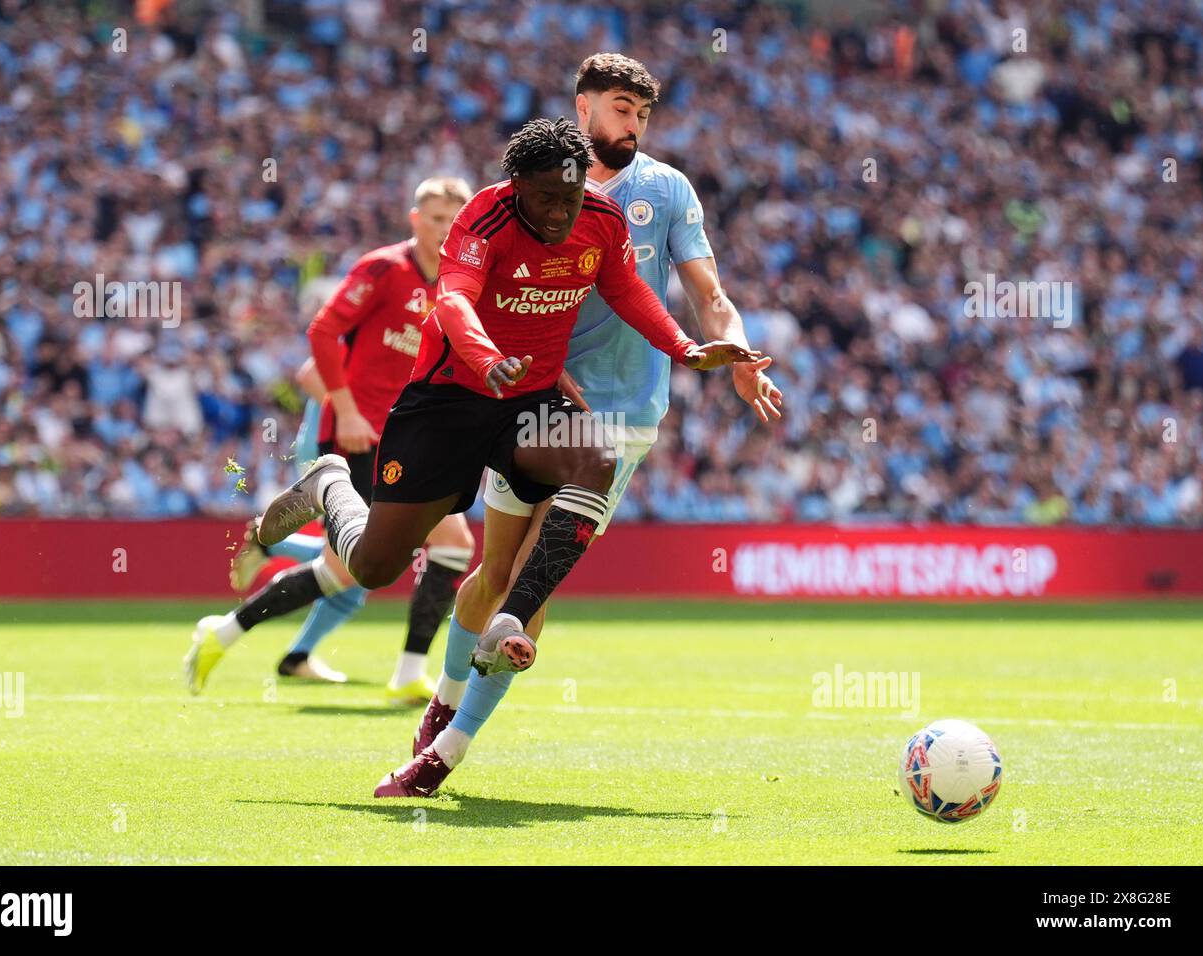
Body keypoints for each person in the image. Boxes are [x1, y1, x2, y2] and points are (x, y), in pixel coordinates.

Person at [247, 116, 763, 796]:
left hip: (529, 397)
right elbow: (454, 299)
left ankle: (513, 619)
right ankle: (328, 485)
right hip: (450, 399)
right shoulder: (483, 219)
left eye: (571, 198)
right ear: (515, 184)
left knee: (592, 457)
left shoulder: (602, 221)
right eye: (546, 197)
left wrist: (686, 348)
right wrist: (487, 359)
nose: (559, 212)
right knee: (372, 567)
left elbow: (627, 289)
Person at [389, 53, 784, 796]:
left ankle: (447, 753)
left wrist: (732, 352)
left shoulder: (666, 191)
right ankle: (440, 703)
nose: (632, 124)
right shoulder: (531, 188)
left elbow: (708, 291)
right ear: (583, 108)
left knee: (530, 587)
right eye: (621, 109)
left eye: (642, 114)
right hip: (532, 404)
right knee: (492, 574)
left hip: (623, 416)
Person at [184, 177, 477, 703]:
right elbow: (321, 334)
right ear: (415, 220)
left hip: (411, 439)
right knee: (350, 571)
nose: (444, 230)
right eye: (434, 219)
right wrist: (343, 409)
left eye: (453, 221)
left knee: (436, 549)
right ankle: (231, 631)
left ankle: (403, 671)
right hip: (359, 436)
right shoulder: (383, 269)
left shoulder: (458, 286)